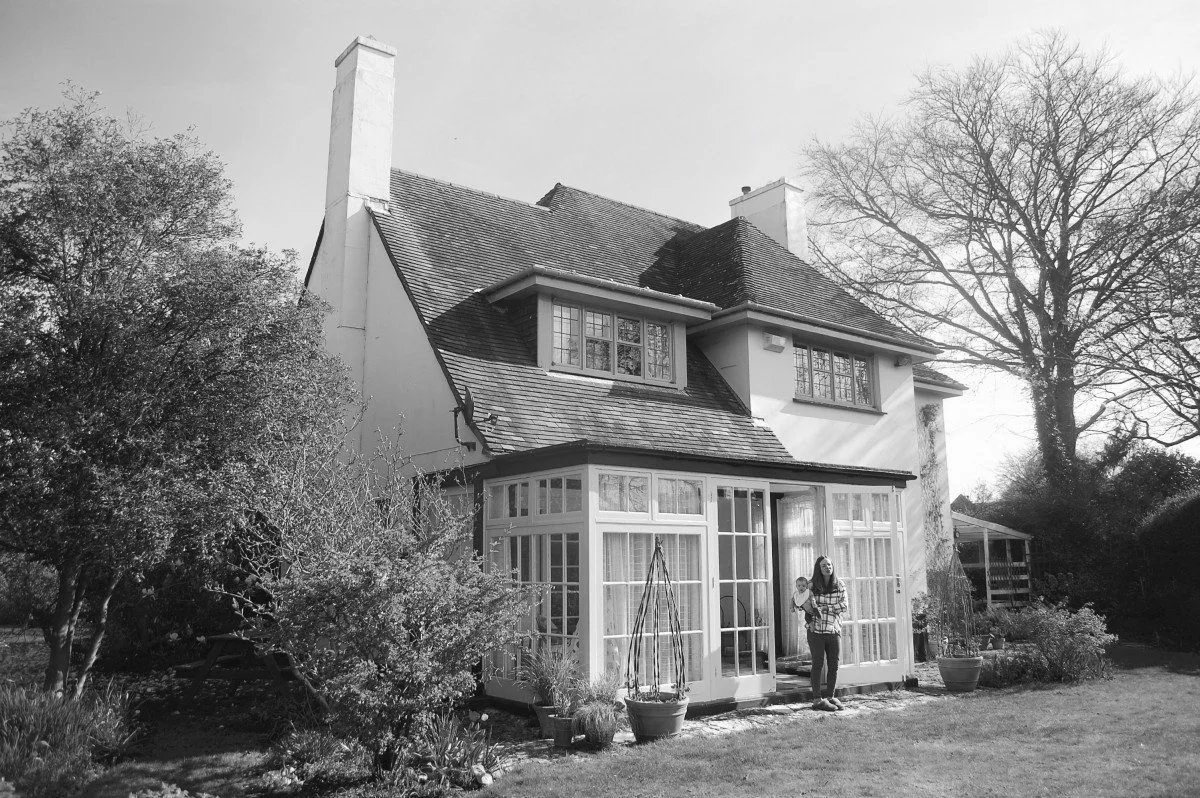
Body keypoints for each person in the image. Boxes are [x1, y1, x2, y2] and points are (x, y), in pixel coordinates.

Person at [808, 555, 848, 711]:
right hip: (816, 631)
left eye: (829, 565)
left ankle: (830, 696)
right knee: (817, 664)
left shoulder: (840, 584)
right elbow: (804, 605)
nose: (827, 568)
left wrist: (824, 608)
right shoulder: (811, 586)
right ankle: (817, 700)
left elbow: (844, 606)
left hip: (833, 630)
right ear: (818, 568)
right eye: (824, 565)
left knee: (833, 665)